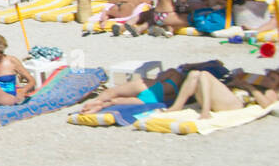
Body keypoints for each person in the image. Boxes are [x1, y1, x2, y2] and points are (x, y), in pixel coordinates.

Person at [78, 62, 230, 114]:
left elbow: (159, 78)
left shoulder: (174, 74)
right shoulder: (189, 90)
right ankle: (96, 107)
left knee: (111, 92)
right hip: (155, 99)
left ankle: (94, 102)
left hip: (153, 87)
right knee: (114, 102)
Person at [164, 67, 279, 120]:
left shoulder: (270, 91)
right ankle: (177, 106)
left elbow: (267, 105)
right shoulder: (256, 81)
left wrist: (250, 87)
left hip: (236, 104)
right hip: (227, 98)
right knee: (194, 74)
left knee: (204, 74)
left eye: (272, 80)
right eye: (268, 76)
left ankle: (205, 112)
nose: (267, 79)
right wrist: (236, 82)